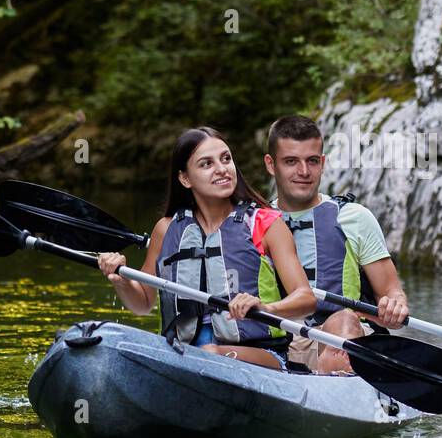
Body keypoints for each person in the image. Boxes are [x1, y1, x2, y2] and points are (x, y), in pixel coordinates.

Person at [97, 127, 316, 370]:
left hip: (261, 354)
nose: (222, 169)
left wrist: (265, 308)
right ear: (185, 178)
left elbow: (305, 298)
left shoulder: (265, 223)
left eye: (226, 159)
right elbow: (143, 303)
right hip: (182, 351)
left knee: (209, 354)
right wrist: (121, 279)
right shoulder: (167, 229)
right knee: (196, 353)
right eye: (206, 164)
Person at [263, 115, 410, 374]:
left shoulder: (355, 217)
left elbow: (391, 291)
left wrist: (395, 305)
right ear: (271, 165)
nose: (304, 172)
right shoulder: (254, 221)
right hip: (281, 340)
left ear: (322, 163)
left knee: (343, 322)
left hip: (346, 335)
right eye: (290, 162)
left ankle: (340, 390)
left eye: (312, 161)